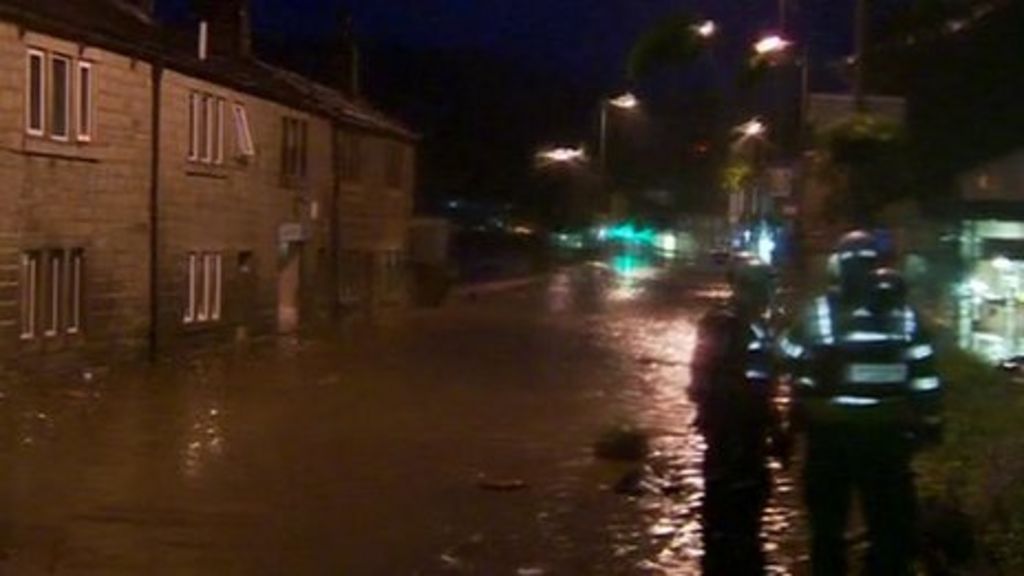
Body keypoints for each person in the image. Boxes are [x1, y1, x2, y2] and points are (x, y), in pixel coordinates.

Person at [779, 231, 943, 575]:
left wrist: (811, 369)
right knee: (887, 528)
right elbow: (924, 373)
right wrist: (931, 422)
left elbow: (786, 356)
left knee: (827, 529)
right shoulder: (904, 314)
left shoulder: (820, 312)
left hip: (829, 435)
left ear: (838, 265)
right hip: (886, 438)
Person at [690, 255, 789, 575]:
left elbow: (762, 380)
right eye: (762, 287)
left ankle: (735, 552)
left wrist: (773, 423)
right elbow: (720, 382)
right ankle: (727, 556)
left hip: (746, 424)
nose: (767, 294)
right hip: (733, 425)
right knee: (732, 494)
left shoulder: (753, 323)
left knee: (745, 494)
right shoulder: (727, 322)